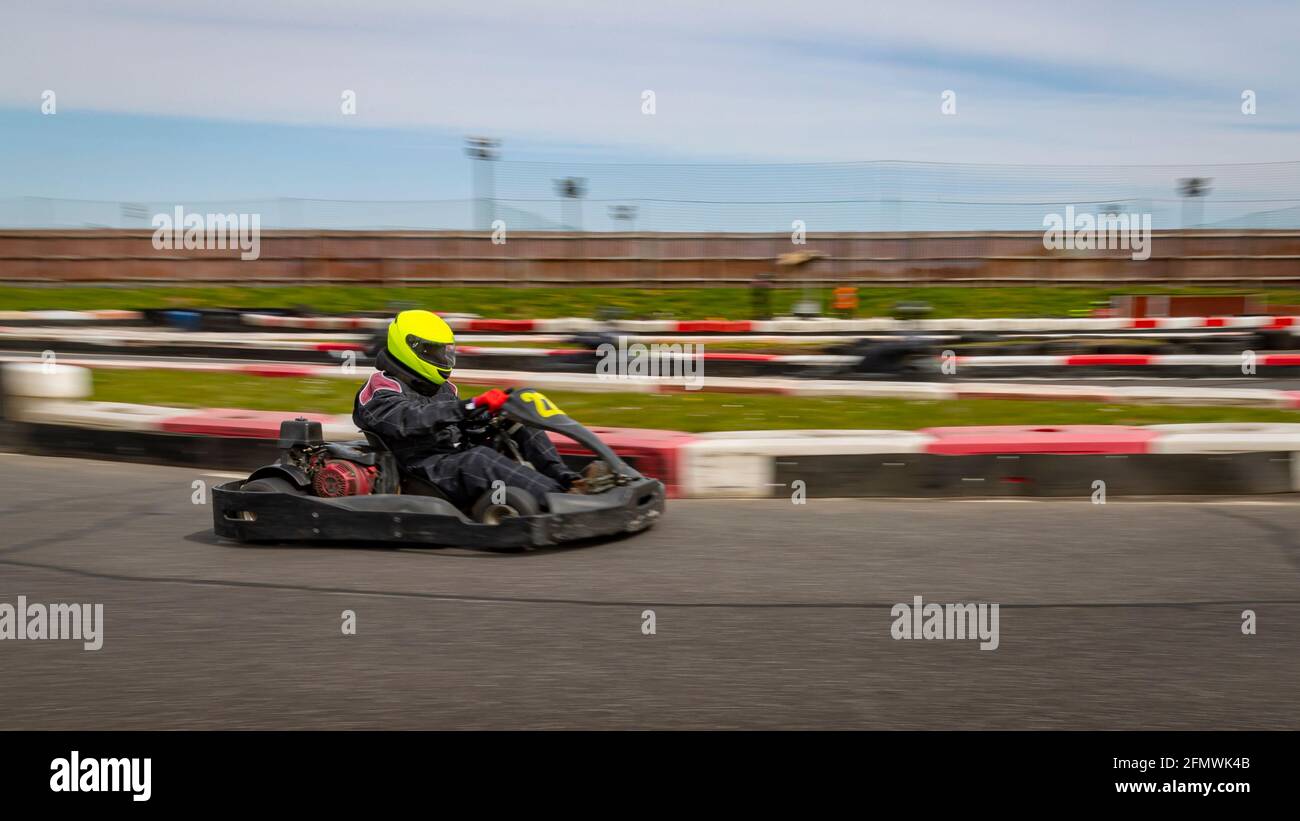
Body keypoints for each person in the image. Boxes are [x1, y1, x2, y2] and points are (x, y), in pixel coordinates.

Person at [353, 310, 599, 506]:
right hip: (423, 469)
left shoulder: (440, 387)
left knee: (516, 421)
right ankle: (562, 499)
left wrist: (492, 413)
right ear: (410, 349)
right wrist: (470, 406)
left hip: (453, 454)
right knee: (479, 459)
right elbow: (410, 420)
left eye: (444, 352)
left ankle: (568, 480)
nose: (442, 359)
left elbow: (456, 423)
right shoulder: (380, 388)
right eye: (433, 352)